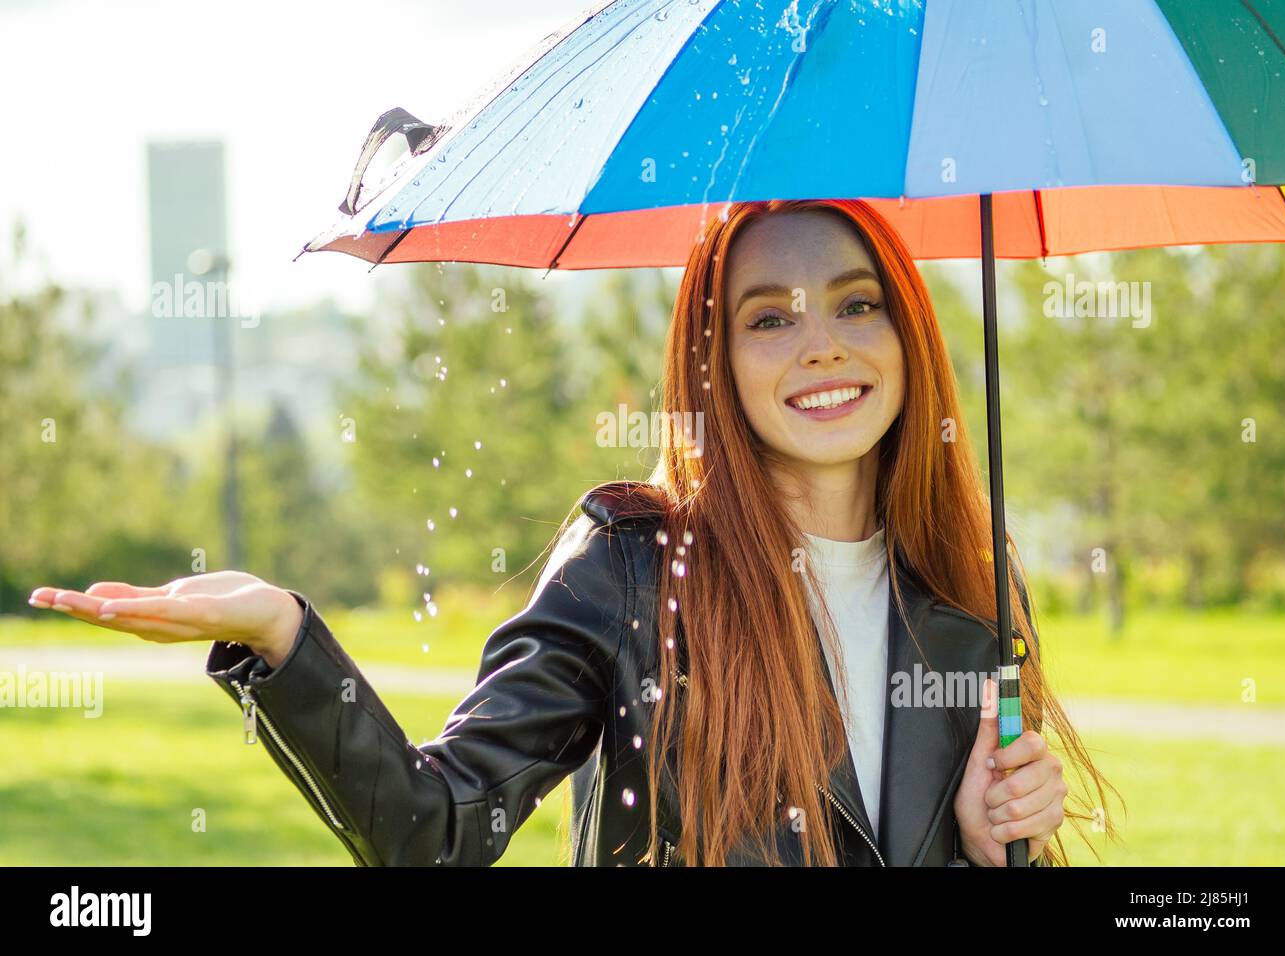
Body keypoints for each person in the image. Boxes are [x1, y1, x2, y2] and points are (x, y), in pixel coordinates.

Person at [29, 198, 1119, 867]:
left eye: (857, 302)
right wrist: (281, 636)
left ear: (908, 329)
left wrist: (993, 845)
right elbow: (433, 831)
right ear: (713, 363)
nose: (822, 346)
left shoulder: (972, 592)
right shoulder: (635, 570)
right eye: (769, 318)